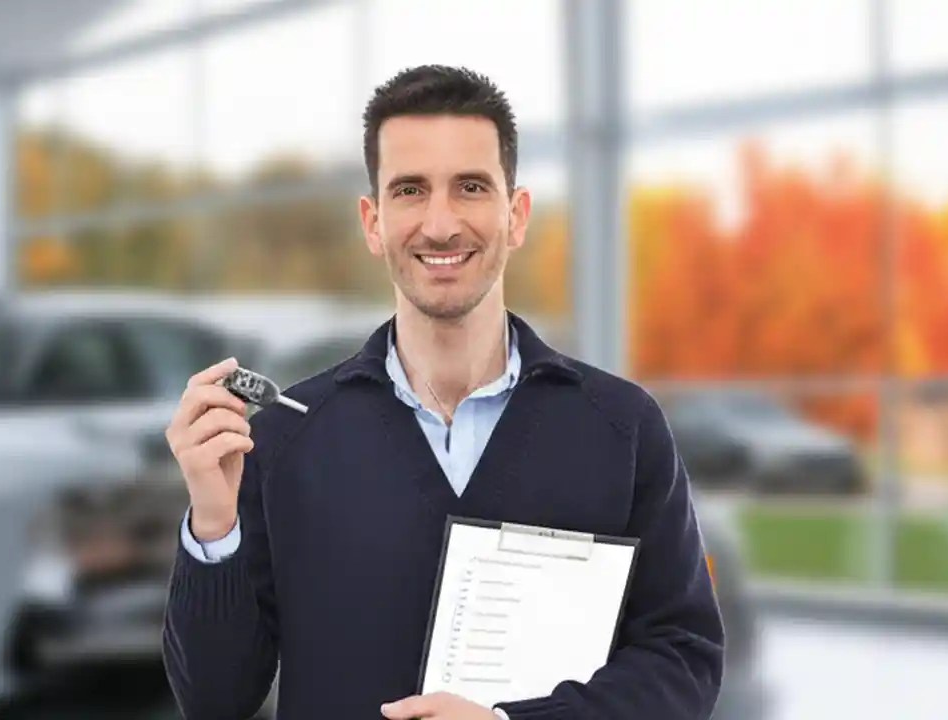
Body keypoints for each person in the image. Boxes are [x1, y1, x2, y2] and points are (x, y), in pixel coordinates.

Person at [162, 65, 724, 719]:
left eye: (471, 187)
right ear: (373, 223)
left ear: (516, 216)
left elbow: (682, 657)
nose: (439, 223)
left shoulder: (622, 427)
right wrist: (212, 524)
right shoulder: (287, 437)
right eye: (410, 190)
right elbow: (216, 700)